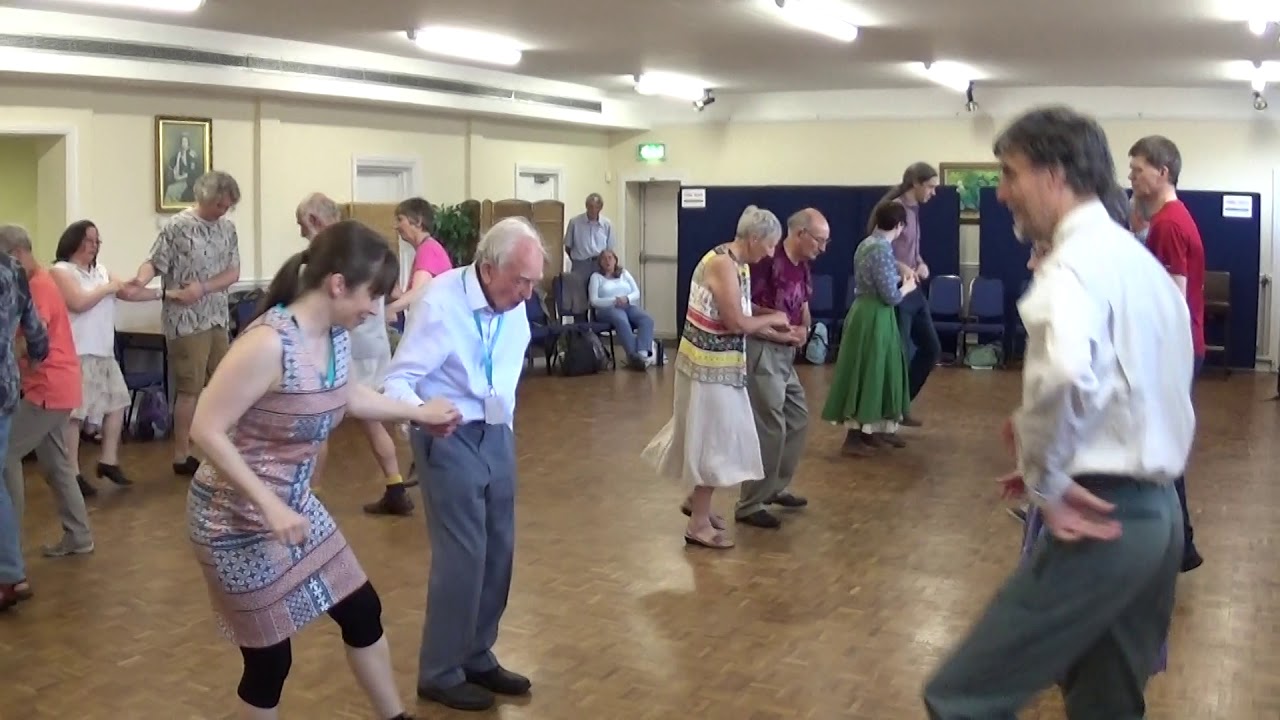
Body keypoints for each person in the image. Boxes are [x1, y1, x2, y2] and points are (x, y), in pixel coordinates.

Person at [923, 106, 1193, 719]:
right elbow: (1143, 389)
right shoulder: (1140, 266)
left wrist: (1046, 477)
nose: (1002, 191)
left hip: (1102, 518)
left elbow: (1067, 373)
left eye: (1010, 172)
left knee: (960, 696)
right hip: (1158, 518)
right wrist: (1044, 440)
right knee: (1106, 703)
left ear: (1054, 174)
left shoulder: (1070, 267)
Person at [186, 220, 460, 720]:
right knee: (270, 661)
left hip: (293, 506)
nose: (374, 309)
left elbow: (347, 395)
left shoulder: (335, 336)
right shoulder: (268, 343)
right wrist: (268, 505)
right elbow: (205, 428)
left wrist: (418, 413)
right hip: (232, 519)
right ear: (337, 284)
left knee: (362, 610)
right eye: (371, 295)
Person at [383, 217, 545, 712]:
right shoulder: (440, 303)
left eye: (534, 282)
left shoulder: (513, 303)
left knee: (499, 550)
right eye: (521, 281)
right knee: (464, 557)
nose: (529, 293)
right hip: (448, 434)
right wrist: (421, 414)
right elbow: (396, 380)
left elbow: (506, 374)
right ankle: (440, 671)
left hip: (496, 432)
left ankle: (477, 653)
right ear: (489, 268)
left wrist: (505, 430)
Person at [646, 205, 791, 549]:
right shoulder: (722, 264)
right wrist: (773, 320)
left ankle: (698, 503)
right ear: (753, 238)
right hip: (706, 369)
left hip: (719, 367)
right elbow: (737, 322)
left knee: (713, 437)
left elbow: (741, 311)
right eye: (770, 244)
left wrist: (776, 325)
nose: (772, 253)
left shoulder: (737, 264)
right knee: (714, 442)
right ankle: (697, 524)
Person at [295, 193, 415, 516]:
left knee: (322, 422)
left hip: (349, 346)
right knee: (372, 421)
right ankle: (395, 487)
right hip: (373, 344)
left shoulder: (331, 256)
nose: (302, 233)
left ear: (314, 221)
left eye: (302, 225)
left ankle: (311, 497)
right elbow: (394, 293)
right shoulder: (366, 248)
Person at [131, 170, 242, 477]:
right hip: (185, 320)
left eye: (228, 206)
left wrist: (203, 288)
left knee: (222, 383)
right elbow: (154, 262)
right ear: (205, 198)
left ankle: (220, 446)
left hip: (217, 315)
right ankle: (182, 454)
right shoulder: (178, 226)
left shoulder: (228, 228)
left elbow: (233, 272)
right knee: (190, 387)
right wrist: (140, 280)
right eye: (219, 204)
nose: (223, 211)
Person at [1128, 134, 1205, 573]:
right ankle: (1178, 545)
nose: (1131, 176)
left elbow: (1171, 303)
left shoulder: (1169, 225)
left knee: (1162, 452)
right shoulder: (1169, 220)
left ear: (1163, 171)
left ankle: (1178, 545)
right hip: (1179, 350)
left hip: (1174, 352)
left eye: (1138, 169)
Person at [0, 225, 95, 562]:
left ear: (17, 254)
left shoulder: (37, 286)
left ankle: (8, 545)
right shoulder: (39, 281)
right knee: (58, 466)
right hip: (58, 386)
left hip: (47, 388)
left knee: (6, 456)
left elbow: (33, 341)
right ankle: (79, 536)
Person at [49, 219, 162, 497]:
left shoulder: (101, 271)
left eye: (97, 241)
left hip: (103, 351)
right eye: (88, 240)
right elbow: (78, 302)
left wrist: (165, 293)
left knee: (117, 403)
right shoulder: (61, 271)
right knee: (75, 416)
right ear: (74, 241)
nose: (93, 246)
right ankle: (72, 473)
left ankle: (108, 461)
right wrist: (109, 287)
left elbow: (128, 291)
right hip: (77, 352)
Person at [734, 208, 827, 528]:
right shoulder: (766, 261)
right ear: (800, 234)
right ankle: (750, 503)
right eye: (819, 240)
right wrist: (782, 331)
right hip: (763, 350)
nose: (822, 248)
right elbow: (746, 308)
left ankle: (774, 487)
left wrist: (804, 330)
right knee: (770, 426)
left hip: (785, 354)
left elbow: (803, 306)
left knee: (797, 418)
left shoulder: (802, 266)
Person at [823, 203, 918, 456]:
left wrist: (897, 276)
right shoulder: (881, 249)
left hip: (867, 311)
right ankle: (856, 436)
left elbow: (878, 279)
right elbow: (890, 296)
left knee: (872, 370)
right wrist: (907, 287)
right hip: (874, 315)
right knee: (869, 371)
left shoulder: (867, 244)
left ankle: (871, 430)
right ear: (899, 226)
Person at [870, 162, 940, 426]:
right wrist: (900, 267)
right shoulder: (894, 210)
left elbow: (912, 249)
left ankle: (899, 405)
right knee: (897, 355)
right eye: (930, 186)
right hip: (897, 290)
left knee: (931, 349)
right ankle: (888, 414)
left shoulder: (914, 211)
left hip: (914, 291)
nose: (933, 192)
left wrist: (920, 263)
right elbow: (877, 246)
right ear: (916, 184)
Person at [0, 230, 49, 611]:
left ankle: (10, 573)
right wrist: (32, 357)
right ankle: (12, 572)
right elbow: (37, 333)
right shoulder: (13, 270)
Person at [588, 248, 657, 368]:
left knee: (646, 319)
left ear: (615, 260)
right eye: (604, 259)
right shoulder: (596, 277)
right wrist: (614, 301)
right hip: (606, 309)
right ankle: (633, 356)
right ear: (600, 263)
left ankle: (642, 354)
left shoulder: (624, 273)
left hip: (627, 305)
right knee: (621, 318)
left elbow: (636, 292)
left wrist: (627, 298)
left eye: (610, 258)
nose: (607, 261)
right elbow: (594, 300)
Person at [563, 192, 615, 280]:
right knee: (578, 288)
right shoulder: (574, 222)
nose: (593, 210)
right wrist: (577, 260)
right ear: (586, 206)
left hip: (600, 265)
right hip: (580, 264)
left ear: (600, 208)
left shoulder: (607, 224)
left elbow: (609, 249)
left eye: (596, 207)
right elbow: (568, 246)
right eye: (591, 207)